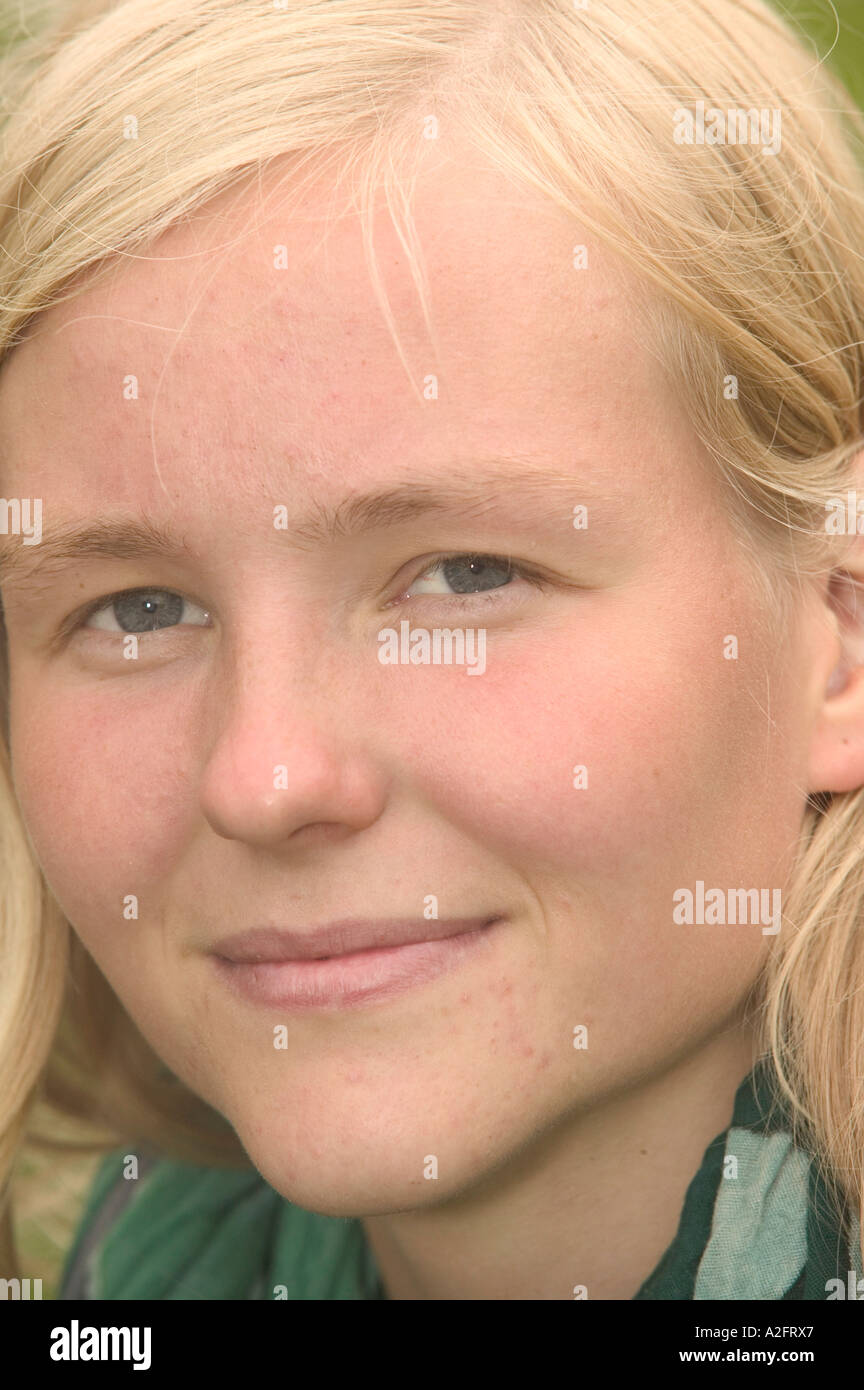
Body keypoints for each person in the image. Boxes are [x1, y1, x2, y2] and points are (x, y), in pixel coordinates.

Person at [1, 0, 863, 1301]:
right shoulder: (131, 1271)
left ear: (842, 633)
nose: (266, 775)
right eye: (136, 608)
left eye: (464, 577)